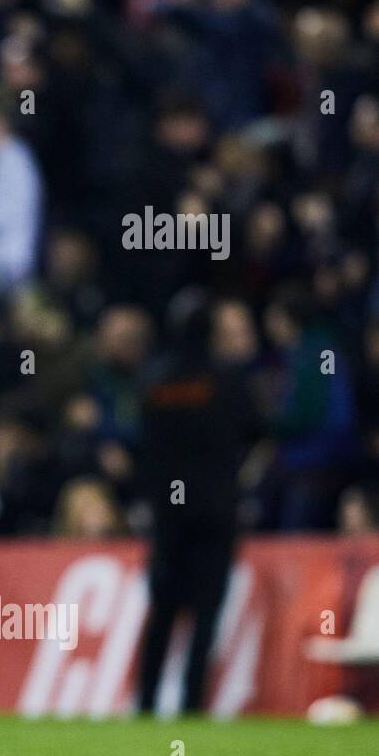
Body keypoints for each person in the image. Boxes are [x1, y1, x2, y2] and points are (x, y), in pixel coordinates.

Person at [135, 293, 260, 715]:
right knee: (206, 612)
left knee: (164, 609)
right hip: (216, 510)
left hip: (169, 516)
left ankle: (147, 699)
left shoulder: (157, 383)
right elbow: (257, 431)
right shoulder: (228, 380)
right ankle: (191, 703)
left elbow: (144, 448)